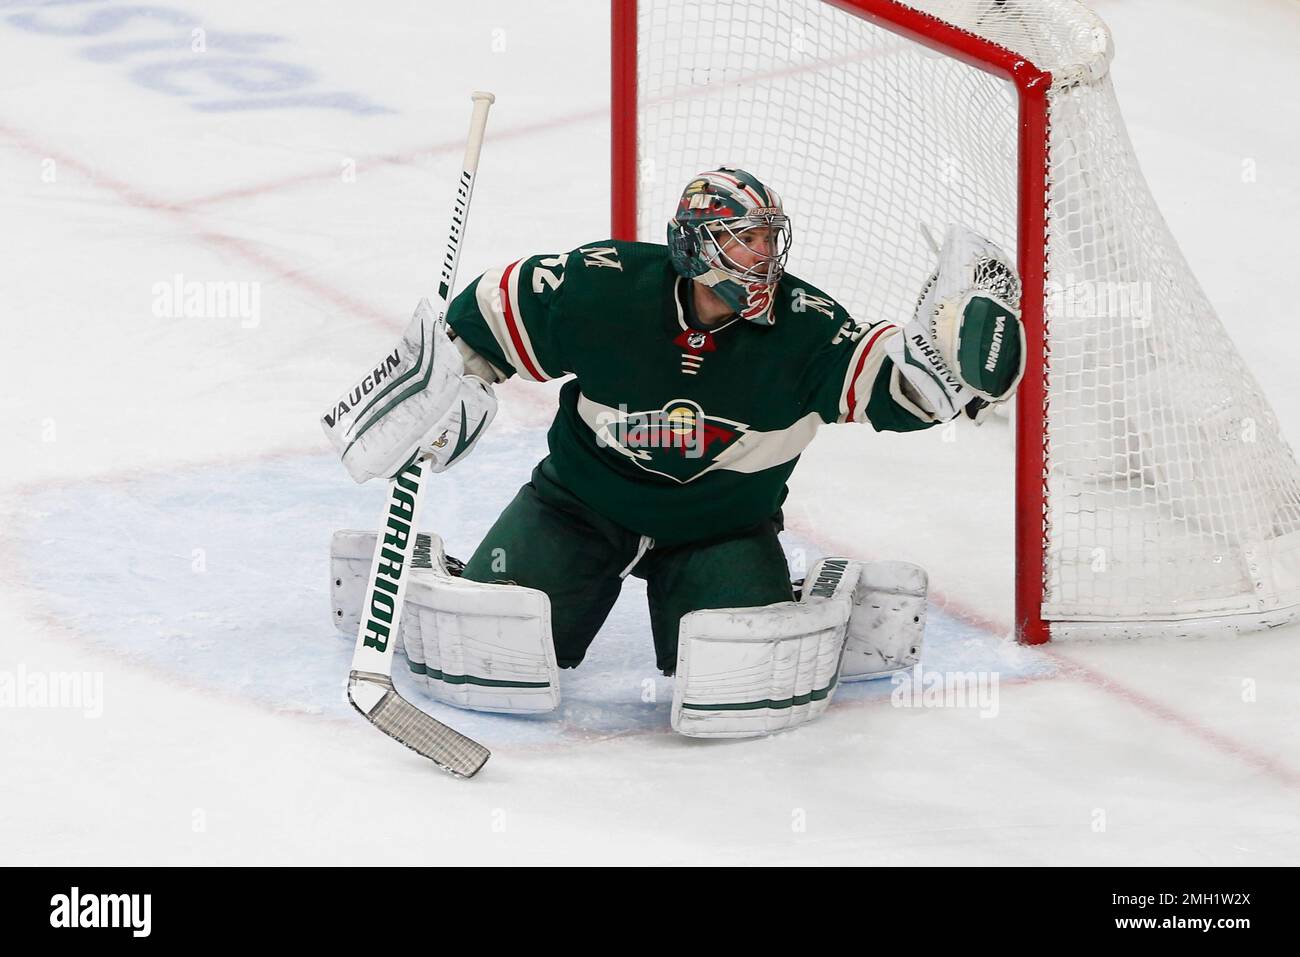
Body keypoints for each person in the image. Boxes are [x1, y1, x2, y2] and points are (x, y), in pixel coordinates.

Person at [323, 167, 1024, 731]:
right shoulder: (604, 285)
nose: (762, 255)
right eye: (743, 239)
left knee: (735, 676)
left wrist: (944, 367)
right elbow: (487, 317)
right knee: (491, 651)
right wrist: (453, 374)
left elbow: (896, 389)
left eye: (766, 239)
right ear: (695, 245)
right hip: (577, 506)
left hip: (720, 530)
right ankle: (425, 578)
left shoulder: (806, 327)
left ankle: (812, 603)